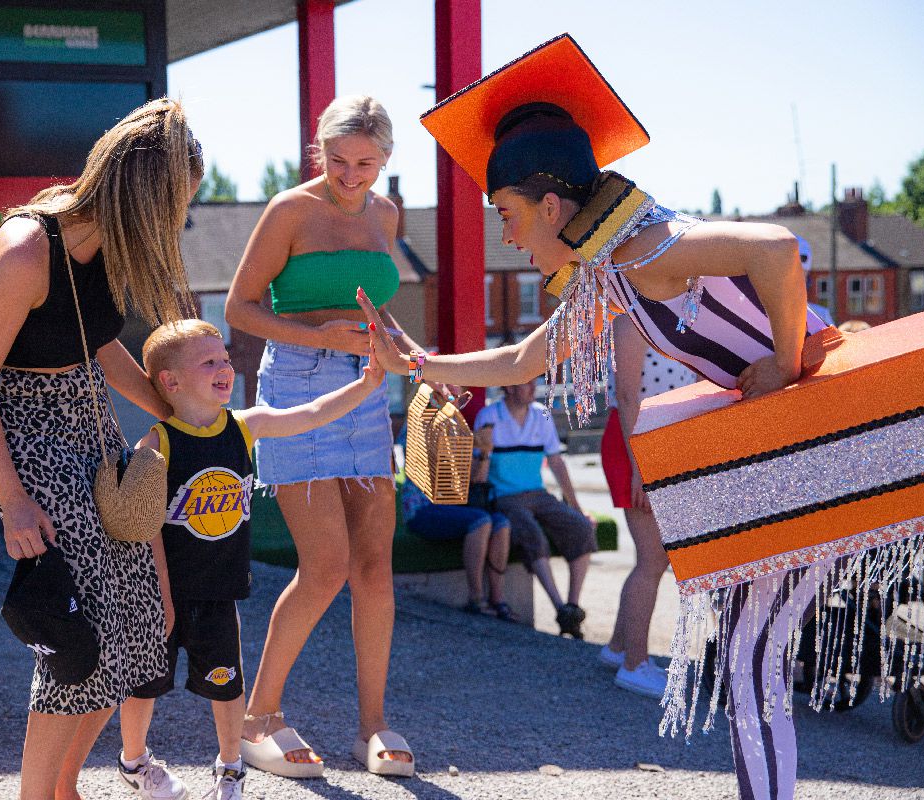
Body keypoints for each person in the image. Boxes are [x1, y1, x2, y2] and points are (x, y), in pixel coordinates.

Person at [354, 35, 847, 799]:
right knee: (752, 662)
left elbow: (778, 249)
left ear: (552, 206)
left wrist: (782, 365)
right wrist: (415, 365)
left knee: (751, 662)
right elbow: (523, 360)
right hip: (797, 444)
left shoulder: (646, 249)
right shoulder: (612, 271)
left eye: (507, 214)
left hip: (828, 432)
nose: (506, 236)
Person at [0, 98, 201, 800]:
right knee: (80, 628)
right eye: (174, 206)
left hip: (88, 419)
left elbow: (96, 341)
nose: (176, 222)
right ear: (140, 194)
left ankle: (65, 784)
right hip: (22, 431)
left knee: (146, 618)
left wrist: (175, 413)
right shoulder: (26, 250)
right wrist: (13, 503)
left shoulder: (111, 248)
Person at [225, 95, 417, 778]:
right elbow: (238, 307)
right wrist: (316, 336)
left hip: (367, 386)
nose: (350, 175)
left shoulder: (387, 214)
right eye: (338, 160)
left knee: (375, 568)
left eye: (365, 163)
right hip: (296, 384)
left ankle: (372, 727)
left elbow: (376, 308)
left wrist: (414, 356)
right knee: (326, 566)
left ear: (385, 158)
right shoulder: (289, 210)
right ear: (321, 152)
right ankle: (258, 718)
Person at [116, 319, 384, 800]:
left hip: (220, 591)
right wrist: (161, 596)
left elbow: (313, 413)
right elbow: (146, 528)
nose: (225, 367)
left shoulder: (246, 426)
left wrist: (365, 386)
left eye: (224, 358)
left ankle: (231, 768)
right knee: (145, 685)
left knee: (227, 685)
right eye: (209, 362)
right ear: (170, 381)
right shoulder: (155, 444)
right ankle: (134, 761)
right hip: (163, 594)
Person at [598, 315, 697, 697]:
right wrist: (640, 467)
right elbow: (626, 396)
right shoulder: (630, 320)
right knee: (652, 560)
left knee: (652, 559)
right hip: (637, 446)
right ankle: (634, 664)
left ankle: (618, 648)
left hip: (662, 442)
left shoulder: (675, 314)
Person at [473, 381, 596, 637]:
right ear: (508, 387)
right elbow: (479, 473)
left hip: (538, 494)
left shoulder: (542, 414)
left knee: (581, 527)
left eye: (533, 381)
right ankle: (560, 608)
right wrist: (484, 450)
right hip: (504, 496)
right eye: (526, 382)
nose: (533, 387)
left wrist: (576, 507)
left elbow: (556, 462)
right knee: (532, 535)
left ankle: (572, 607)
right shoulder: (488, 416)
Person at [397, 402, 515, 622]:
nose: (454, 396)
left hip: (453, 506)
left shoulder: (454, 425)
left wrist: (485, 452)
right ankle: (476, 599)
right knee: (480, 521)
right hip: (421, 509)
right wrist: (472, 441)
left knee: (501, 523)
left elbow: (476, 478)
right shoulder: (418, 419)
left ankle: (497, 600)